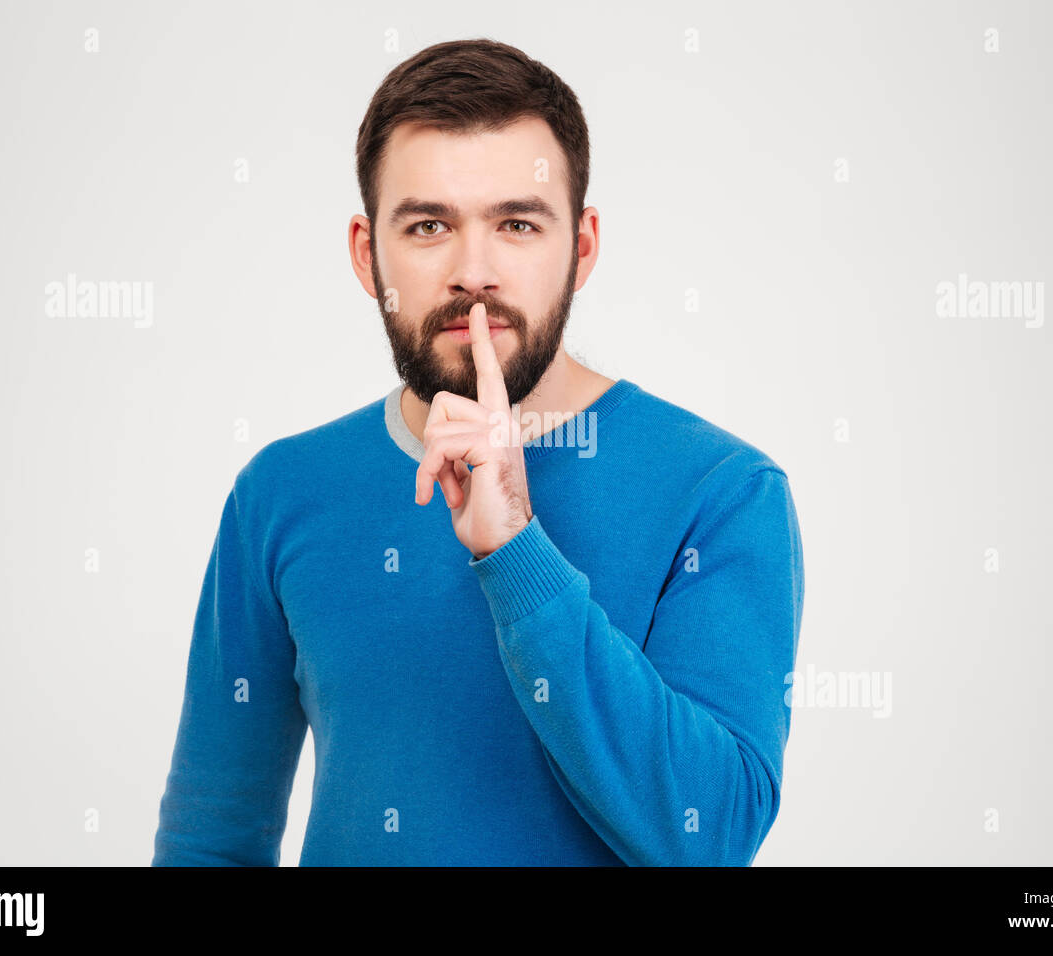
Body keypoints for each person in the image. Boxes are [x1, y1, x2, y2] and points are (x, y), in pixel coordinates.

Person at [151, 37, 804, 867]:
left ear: (583, 247)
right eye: (429, 226)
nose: (475, 272)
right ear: (366, 254)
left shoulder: (723, 492)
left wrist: (515, 548)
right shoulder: (283, 492)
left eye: (518, 224)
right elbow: (211, 838)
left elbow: (709, 836)